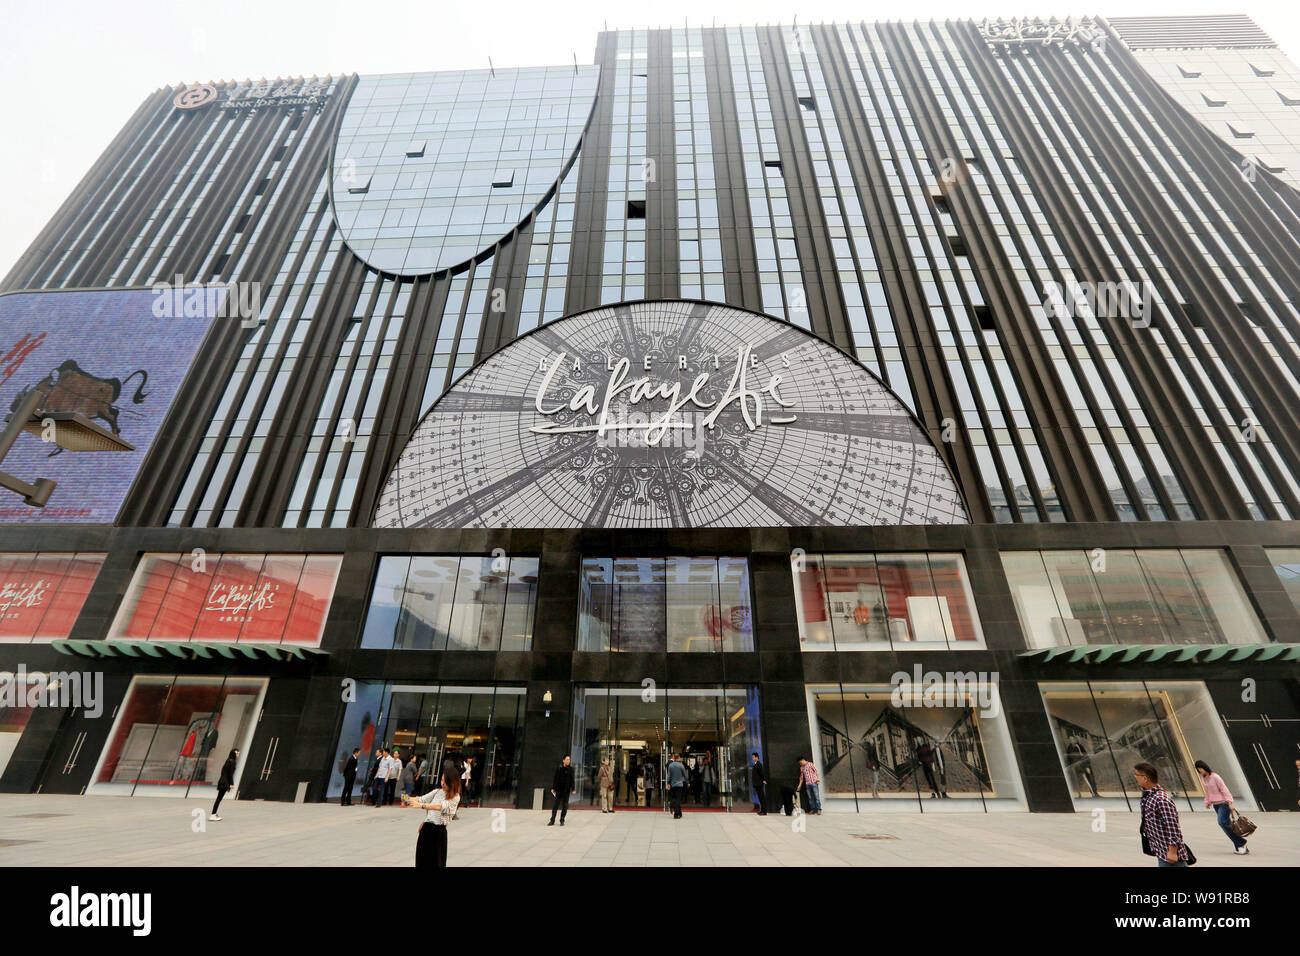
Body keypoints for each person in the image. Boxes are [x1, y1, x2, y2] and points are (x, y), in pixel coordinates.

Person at [404, 768, 461, 868]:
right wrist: (407, 798)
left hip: (438, 832)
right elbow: (420, 799)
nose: (442, 783)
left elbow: (441, 806)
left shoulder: (455, 797)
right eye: (442, 780)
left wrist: (422, 805)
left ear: (453, 783)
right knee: (421, 860)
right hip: (426, 829)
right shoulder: (437, 791)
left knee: (436, 862)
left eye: (445, 781)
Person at [1136, 763, 1189, 867]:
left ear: (1145, 778)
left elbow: (1172, 826)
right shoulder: (1148, 796)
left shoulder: (1161, 799)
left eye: (1137, 775)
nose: (1135, 778)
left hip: (1169, 853)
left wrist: (1173, 851)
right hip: (1161, 850)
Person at [1195, 760, 1248, 854]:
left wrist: (1230, 803)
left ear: (1204, 767)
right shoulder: (1203, 778)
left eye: (1201, 768)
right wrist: (1208, 802)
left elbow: (1224, 789)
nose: (1200, 771)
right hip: (1216, 805)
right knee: (1228, 825)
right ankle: (1241, 847)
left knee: (1222, 823)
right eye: (1198, 769)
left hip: (1224, 803)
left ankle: (1241, 842)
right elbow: (1207, 791)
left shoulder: (1215, 777)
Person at [210, 748, 239, 821]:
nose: (238, 754)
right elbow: (230, 774)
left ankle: (214, 813)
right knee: (219, 799)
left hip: (222, 781)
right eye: (237, 753)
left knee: (218, 799)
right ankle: (213, 814)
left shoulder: (228, 760)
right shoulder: (232, 762)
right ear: (234, 753)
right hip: (224, 783)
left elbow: (224, 772)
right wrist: (231, 784)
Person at [549, 754, 575, 826]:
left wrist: (573, 789)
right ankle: (552, 820)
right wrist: (554, 788)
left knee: (565, 806)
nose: (568, 761)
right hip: (559, 790)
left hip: (566, 791)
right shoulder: (559, 768)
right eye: (567, 759)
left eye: (569, 759)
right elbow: (555, 778)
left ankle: (562, 820)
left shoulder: (571, 769)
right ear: (563, 760)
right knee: (555, 805)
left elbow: (572, 780)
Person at [667, 753, 689, 819]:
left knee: (674, 799)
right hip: (679, 785)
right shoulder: (681, 766)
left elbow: (669, 776)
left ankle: (679, 812)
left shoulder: (670, 765)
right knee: (678, 799)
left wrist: (668, 783)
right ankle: (676, 814)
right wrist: (687, 782)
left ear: (674, 758)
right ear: (678, 758)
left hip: (673, 784)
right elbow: (685, 775)